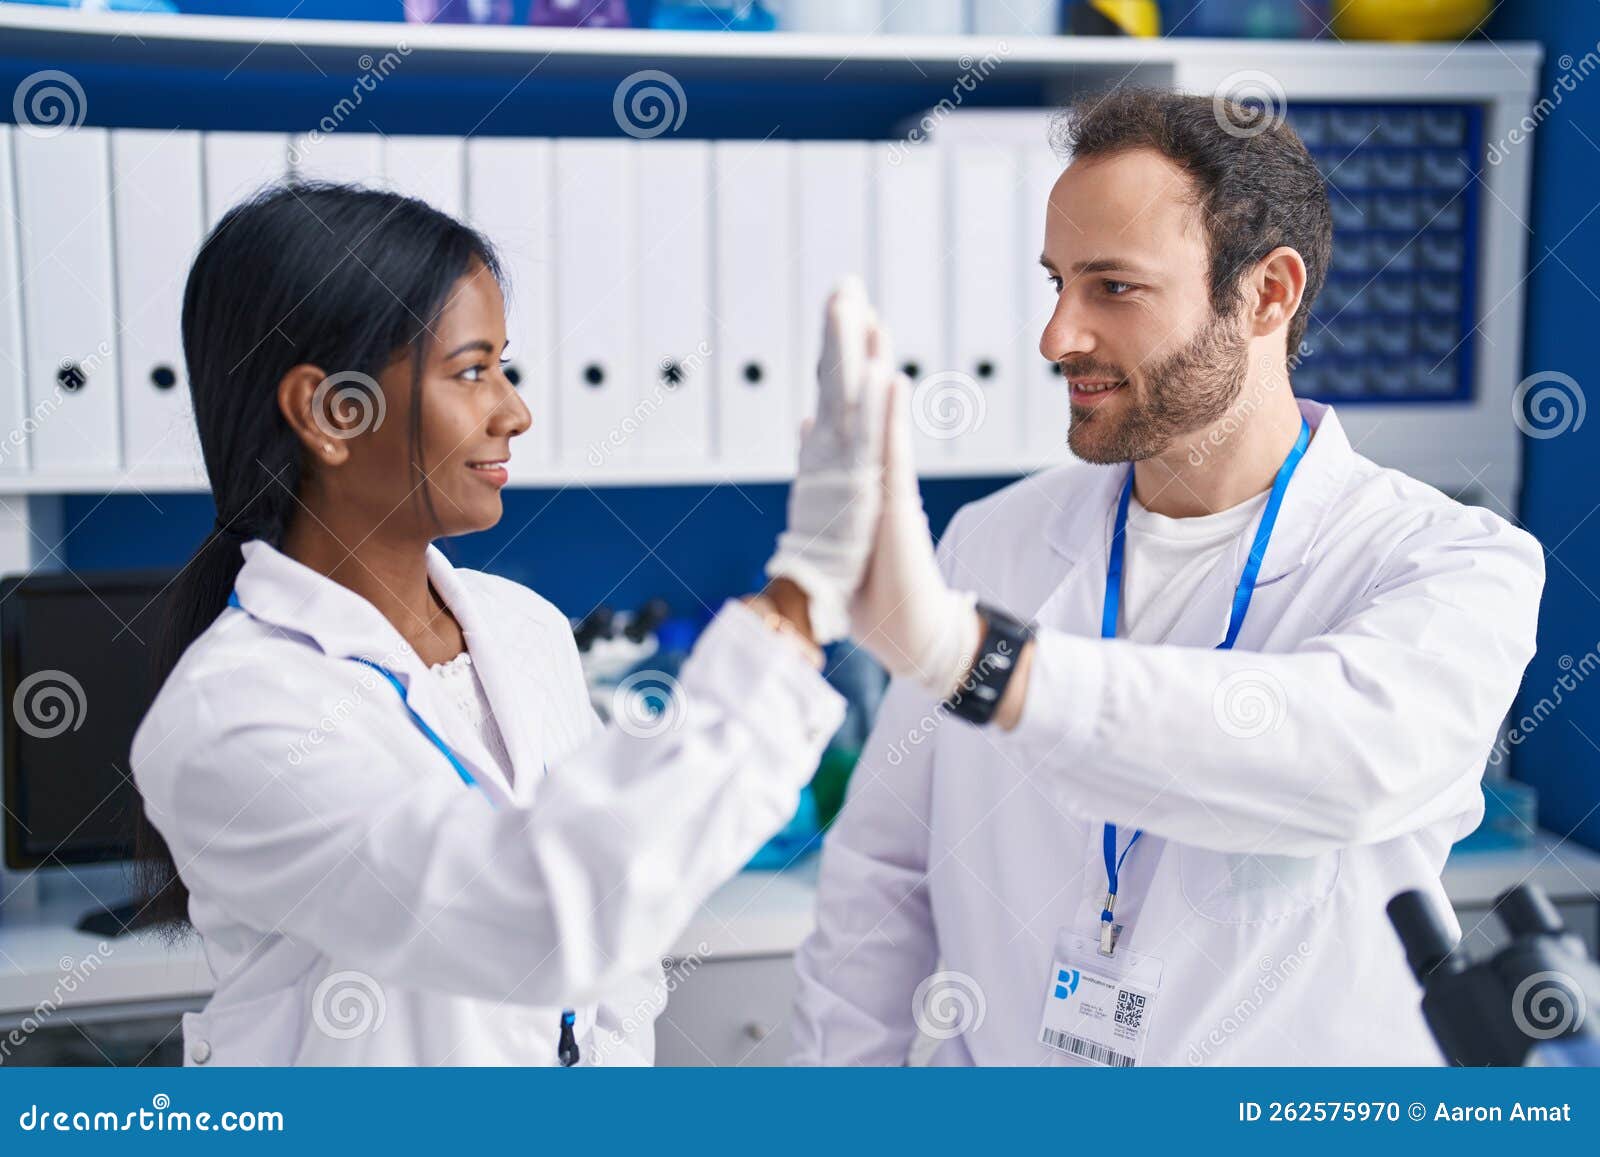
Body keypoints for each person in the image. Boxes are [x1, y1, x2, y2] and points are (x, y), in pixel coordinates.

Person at [789, 87, 1546, 1066]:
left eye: (1114, 287)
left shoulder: (1449, 560)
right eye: (1054, 281)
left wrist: (979, 659)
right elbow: (880, 874)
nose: (1056, 336)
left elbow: (1339, 756)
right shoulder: (993, 540)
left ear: (1268, 292)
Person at [130, 183, 898, 1066]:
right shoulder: (232, 713)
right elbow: (534, 915)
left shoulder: (522, 627)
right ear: (331, 412)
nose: (514, 411)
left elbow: (613, 957)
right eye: (470, 370)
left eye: (505, 366)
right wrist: (797, 603)